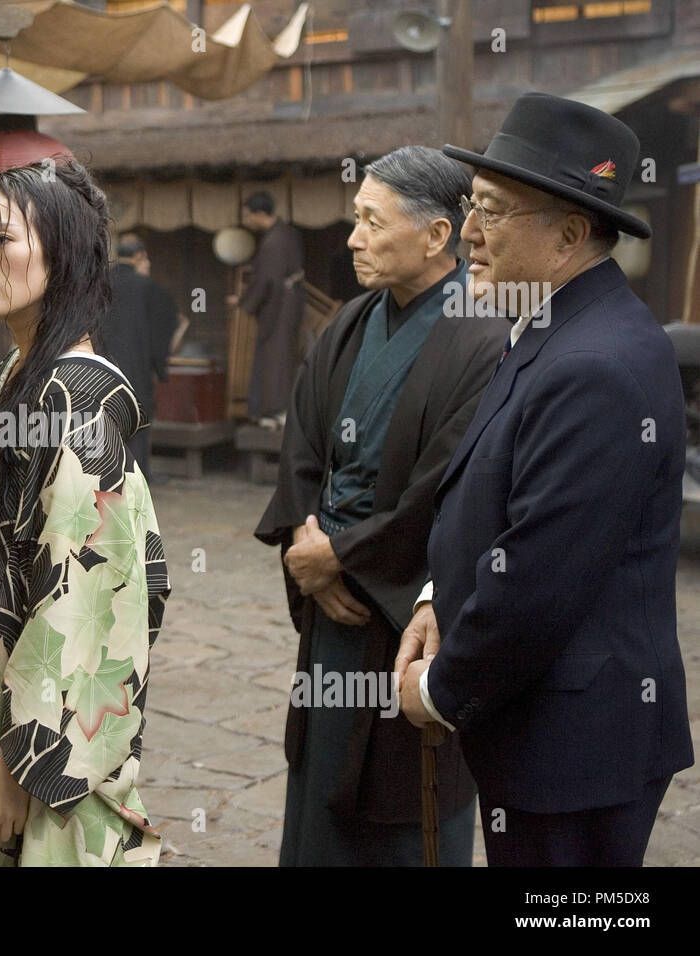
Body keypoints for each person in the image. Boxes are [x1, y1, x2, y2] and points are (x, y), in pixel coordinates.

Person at [396, 93, 694, 866]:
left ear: (568, 234)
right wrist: (438, 598)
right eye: (473, 207)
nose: (467, 233)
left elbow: (540, 572)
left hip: (575, 743)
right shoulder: (551, 326)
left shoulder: (597, 363)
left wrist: (438, 690)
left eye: (493, 212)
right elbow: (493, 496)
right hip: (544, 724)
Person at [255, 146, 510, 865]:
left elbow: (453, 484)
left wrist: (343, 556)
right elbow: (302, 445)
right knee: (318, 801)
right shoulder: (349, 322)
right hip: (330, 598)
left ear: (436, 236)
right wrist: (308, 544)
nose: (354, 239)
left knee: (404, 804)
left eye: (372, 222)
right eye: (355, 219)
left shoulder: (485, 335)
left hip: (401, 612)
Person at [0, 159, 169, 867]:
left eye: (3, 241)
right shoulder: (24, 371)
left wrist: (18, 763)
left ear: (60, 253)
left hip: (28, 718)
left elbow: (83, 593)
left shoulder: (78, 403)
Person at [97, 233, 178, 478]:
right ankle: (137, 479)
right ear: (139, 256)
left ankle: (105, 477)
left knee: (105, 422)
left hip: (100, 367)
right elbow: (165, 324)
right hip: (136, 367)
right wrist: (160, 365)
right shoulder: (147, 287)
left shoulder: (99, 284)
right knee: (137, 423)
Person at [228, 192, 306, 427]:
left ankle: (274, 411)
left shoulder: (274, 241)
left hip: (279, 304)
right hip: (287, 300)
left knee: (274, 357)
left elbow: (267, 280)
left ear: (260, 214)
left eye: (248, 214)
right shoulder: (285, 232)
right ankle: (277, 411)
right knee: (280, 356)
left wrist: (244, 302)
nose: (247, 220)